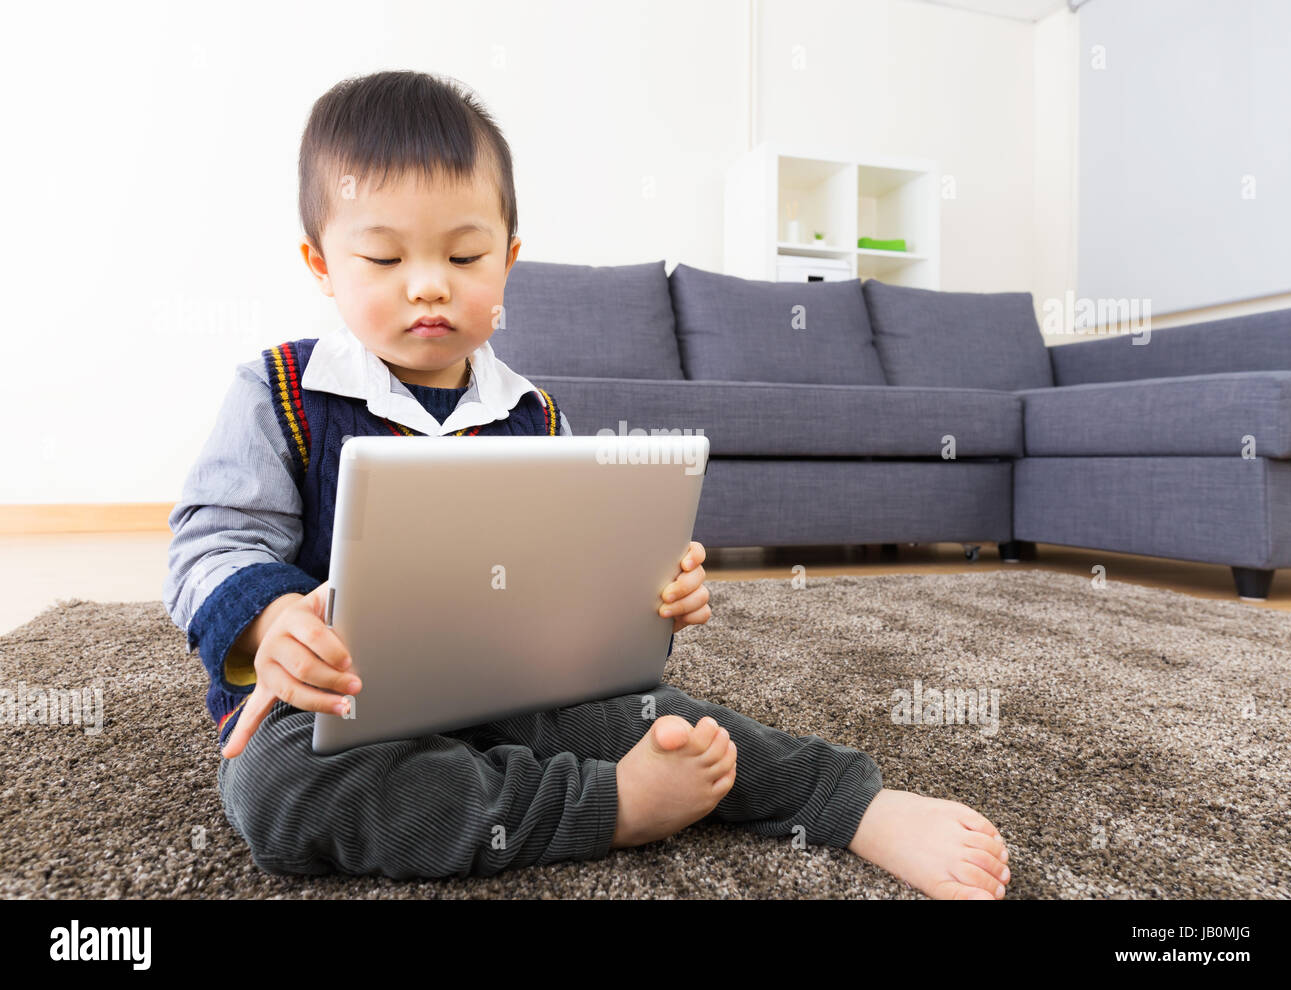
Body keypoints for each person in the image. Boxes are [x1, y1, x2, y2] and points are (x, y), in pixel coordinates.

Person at [163, 69, 1011, 898]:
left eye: (464, 254)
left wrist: (652, 593)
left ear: (509, 260)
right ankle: (606, 807)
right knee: (273, 794)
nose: (428, 283)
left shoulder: (534, 413)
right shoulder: (277, 393)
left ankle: (846, 801)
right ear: (321, 264)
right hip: (337, 712)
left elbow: (587, 582)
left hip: (517, 683)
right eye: (383, 257)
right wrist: (272, 623)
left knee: (662, 716)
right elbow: (210, 540)